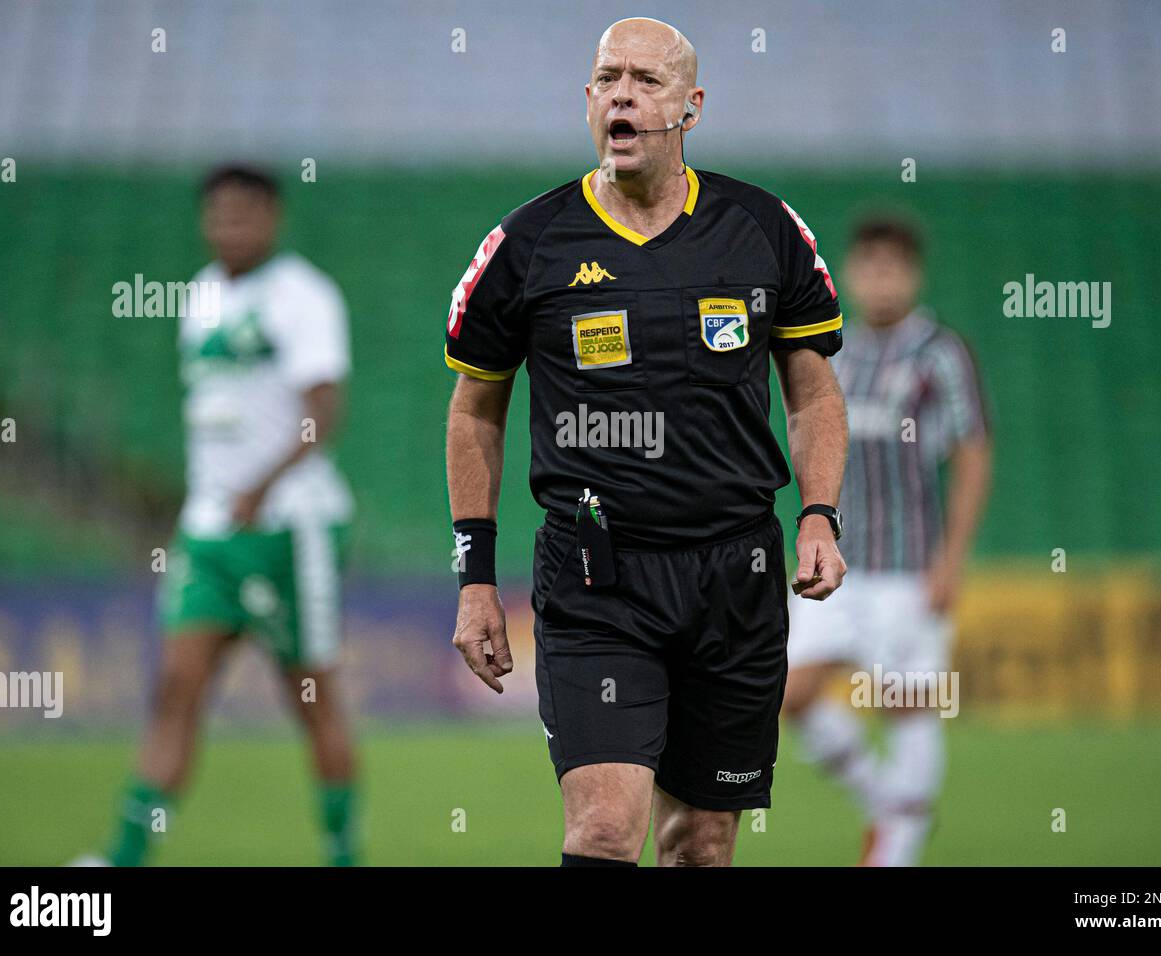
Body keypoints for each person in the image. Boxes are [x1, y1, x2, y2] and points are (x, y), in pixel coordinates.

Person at [444, 18, 848, 866]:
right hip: (600, 580)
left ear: (691, 106)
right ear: (588, 102)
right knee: (602, 830)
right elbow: (475, 409)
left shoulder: (763, 227)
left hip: (735, 577)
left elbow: (811, 390)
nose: (621, 94)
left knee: (699, 843)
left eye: (646, 80)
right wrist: (475, 579)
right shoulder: (527, 244)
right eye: (606, 78)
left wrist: (819, 516)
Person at [104, 165, 359, 866]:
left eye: (244, 214)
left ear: (272, 218)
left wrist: (260, 484)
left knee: (312, 700)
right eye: (218, 214)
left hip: (290, 528)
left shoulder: (302, 297)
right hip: (211, 533)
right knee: (175, 687)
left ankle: (343, 854)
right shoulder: (198, 295)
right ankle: (121, 861)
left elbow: (323, 414)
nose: (229, 227)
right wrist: (221, 497)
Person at [782, 216, 992, 866]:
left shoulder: (938, 353)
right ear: (850, 273)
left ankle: (893, 850)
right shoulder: (835, 352)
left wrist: (951, 561)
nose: (880, 279)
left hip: (908, 566)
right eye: (869, 266)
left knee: (905, 706)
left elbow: (973, 452)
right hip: (840, 563)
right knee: (783, 693)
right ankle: (889, 806)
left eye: (893, 267)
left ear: (913, 274)